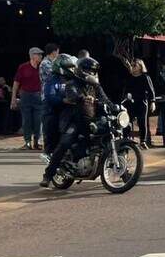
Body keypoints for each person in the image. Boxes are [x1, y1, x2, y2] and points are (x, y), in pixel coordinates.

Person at [43, 56, 109, 187]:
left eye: (93, 71)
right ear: (82, 70)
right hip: (75, 119)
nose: (92, 74)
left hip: (92, 118)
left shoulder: (95, 85)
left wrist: (116, 106)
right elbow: (72, 95)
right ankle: (48, 175)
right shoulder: (72, 83)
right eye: (89, 71)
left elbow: (105, 99)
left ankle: (124, 173)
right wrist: (83, 98)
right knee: (65, 143)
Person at [40, 54, 77, 185]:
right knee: (62, 143)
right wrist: (64, 100)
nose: (71, 69)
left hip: (69, 112)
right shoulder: (52, 79)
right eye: (68, 67)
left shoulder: (75, 78)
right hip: (52, 112)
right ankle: (48, 175)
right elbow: (50, 97)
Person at [11, 47, 44, 150]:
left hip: (38, 96)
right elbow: (16, 83)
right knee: (26, 120)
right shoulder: (23, 67)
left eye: (40, 54)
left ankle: (37, 141)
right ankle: (27, 142)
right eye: (38, 54)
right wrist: (13, 98)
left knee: (39, 120)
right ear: (33, 55)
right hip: (25, 95)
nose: (40, 56)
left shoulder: (42, 67)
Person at [126, 60, 157, 148]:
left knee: (142, 121)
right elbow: (126, 88)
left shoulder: (145, 77)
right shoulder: (130, 77)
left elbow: (151, 91)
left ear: (140, 66)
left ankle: (143, 141)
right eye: (132, 65)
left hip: (142, 101)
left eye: (134, 65)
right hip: (131, 102)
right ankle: (126, 138)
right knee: (127, 120)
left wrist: (153, 102)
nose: (133, 67)